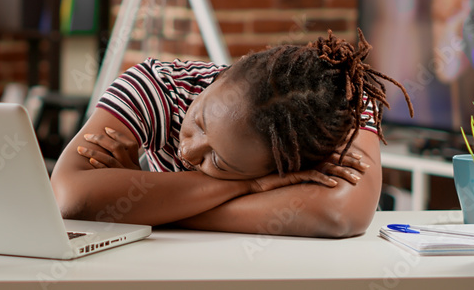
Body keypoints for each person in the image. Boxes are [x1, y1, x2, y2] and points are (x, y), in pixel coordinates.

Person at [50, 30, 412, 238]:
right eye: (200, 120)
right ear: (221, 76)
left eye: (217, 162)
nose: (189, 152)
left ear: (282, 164)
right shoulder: (158, 85)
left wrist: (142, 198)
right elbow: (70, 200)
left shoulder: (342, 104)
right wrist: (245, 187)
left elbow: (339, 215)